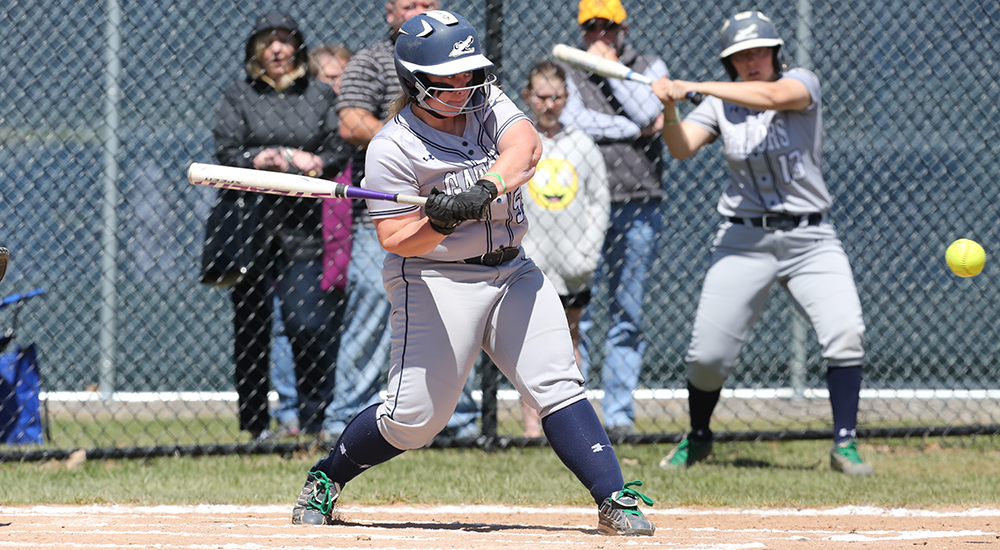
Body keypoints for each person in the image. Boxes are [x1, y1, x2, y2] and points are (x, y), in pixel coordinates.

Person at [290, 11, 654, 536]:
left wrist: (481, 191)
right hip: (435, 280)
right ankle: (327, 475)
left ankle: (613, 496)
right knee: (414, 420)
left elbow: (526, 149)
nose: (463, 84)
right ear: (415, 81)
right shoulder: (392, 146)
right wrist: (439, 221)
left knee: (557, 381)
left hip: (512, 270)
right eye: (448, 77)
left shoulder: (487, 101)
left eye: (468, 72)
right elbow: (395, 238)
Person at [651, 11, 872, 475]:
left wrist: (694, 86)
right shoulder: (720, 103)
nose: (752, 61)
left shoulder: (801, 82)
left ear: (776, 54)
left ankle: (845, 443)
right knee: (707, 356)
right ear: (730, 63)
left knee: (846, 332)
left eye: (759, 52)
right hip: (744, 238)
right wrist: (671, 107)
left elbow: (772, 97)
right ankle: (698, 436)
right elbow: (681, 147)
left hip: (811, 238)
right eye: (741, 56)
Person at [324, 0, 479, 439]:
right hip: (387, 213)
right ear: (389, 12)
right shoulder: (373, 60)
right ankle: (346, 417)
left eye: (426, 3)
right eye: (408, 4)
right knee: (374, 308)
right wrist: (415, 143)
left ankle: (458, 421)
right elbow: (351, 120)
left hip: (454, 210)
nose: (417, 10)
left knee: (459, 309)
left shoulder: (459, 60)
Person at [212, 11, 350, 441]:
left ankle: (312, 420)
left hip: (302, 228)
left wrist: (314, 161)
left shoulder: (319, 95)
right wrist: (255, 160)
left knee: (307, 324)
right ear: (255, 49)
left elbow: (338, 148)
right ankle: (255, 426)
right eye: (268, 41)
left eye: (285, 40)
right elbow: (225, 149)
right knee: (251, 328)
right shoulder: (239, 94)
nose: (276, 48)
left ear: (298, 48)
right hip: (248, 226)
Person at [558, 0, 668, 441]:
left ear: (624, 29)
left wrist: (613, 72)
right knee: (575, 313)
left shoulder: (648, 66)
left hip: (638, 200)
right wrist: (635, 130)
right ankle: (574, 415)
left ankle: (619, 415)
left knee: (628, 311)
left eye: (607, 26)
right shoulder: (568, 68)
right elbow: (576, 122)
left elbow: (648, 110)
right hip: (582, 206)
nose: (598, 35)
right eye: (591, 28)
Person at [518, 60, 610, 438]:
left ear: (568, 98)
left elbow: (598, 201)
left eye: (557, 97)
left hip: (572, 265)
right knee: (525, 343)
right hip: (529, 262)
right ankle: (531, 428)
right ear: (528, 96)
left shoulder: (582, 145)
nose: (549, 105)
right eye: (542, 97)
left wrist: (588, 252)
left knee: (571, 339)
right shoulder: (518, 141)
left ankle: (575, 428)